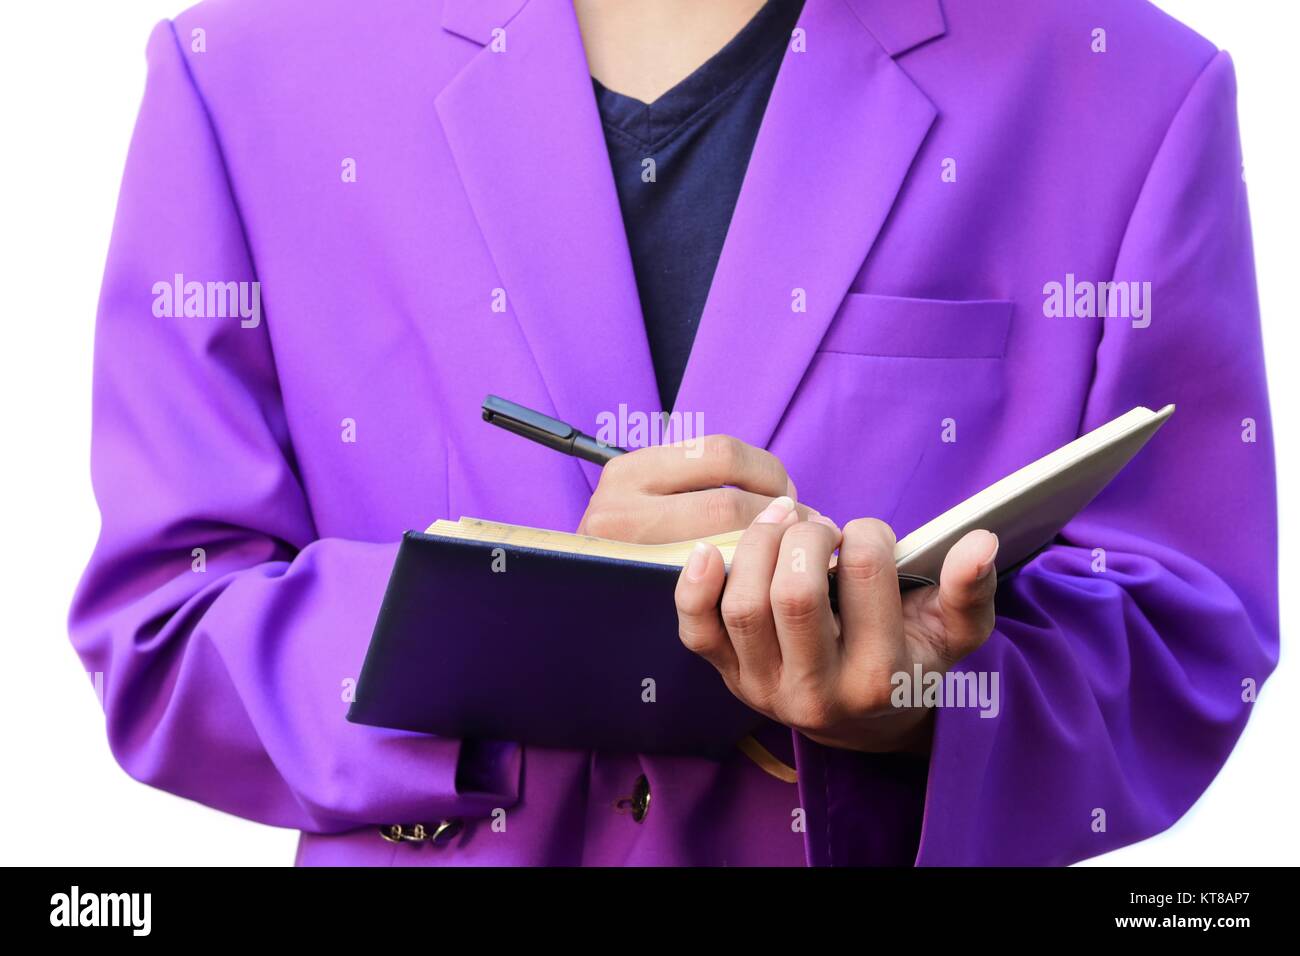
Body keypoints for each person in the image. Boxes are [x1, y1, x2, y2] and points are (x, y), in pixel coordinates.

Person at [71, 0, 1277, 866]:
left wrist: (914, 712)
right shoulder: (240, 72)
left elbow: (1189, 632)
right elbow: (164, 634)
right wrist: (528, 616)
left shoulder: (1130, 90)